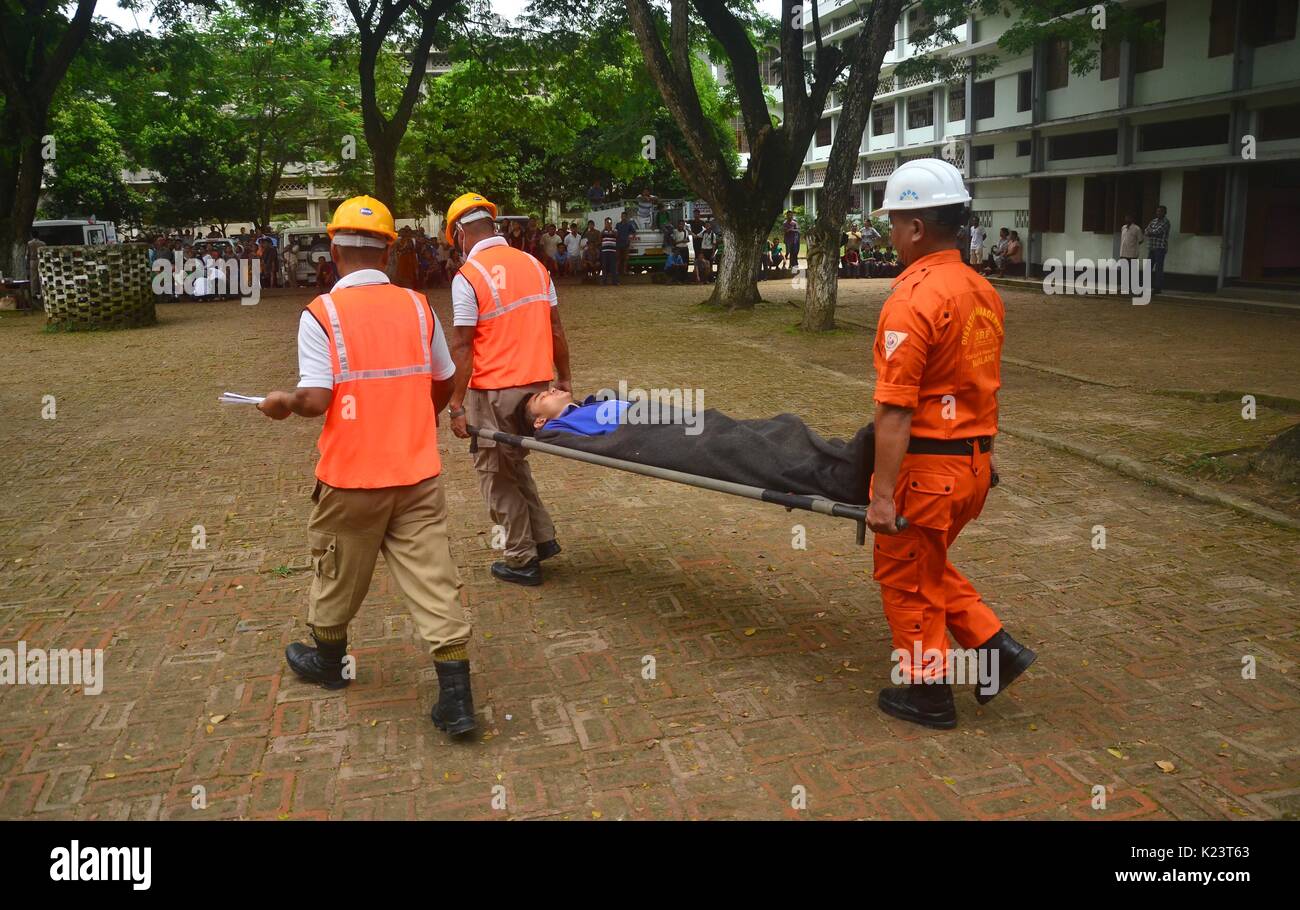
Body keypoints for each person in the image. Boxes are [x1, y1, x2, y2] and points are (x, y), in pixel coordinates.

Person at [256, 195, 475, 736]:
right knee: (434, 579)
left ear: (333, 249)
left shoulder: (321, 314)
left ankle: (328, 665)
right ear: (390, 249)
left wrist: (283, 402)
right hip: (417, 473)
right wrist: (418, 420)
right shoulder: (418, 306)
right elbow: (444, 378)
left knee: (336, 574)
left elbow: (317, 399)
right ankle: (458, 699)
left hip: (351, 479)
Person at [865, 158, 1036, 730]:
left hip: (928, 470)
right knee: (928, 562)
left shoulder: (913, 299)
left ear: (917, 227)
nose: (889, 233)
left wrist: (883, 495)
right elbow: (979, 382)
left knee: (907, 577)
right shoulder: (982, 290)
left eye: (894, 221)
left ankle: (927, 692)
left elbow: (895, 410)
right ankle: (994, 649)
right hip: (972, 465)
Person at [444, 192, 573, 587]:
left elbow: (463, 345)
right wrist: (564, 378)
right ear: (493, 226)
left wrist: (455, 404)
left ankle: (520, 558)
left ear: (462, 233)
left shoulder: (468, 276)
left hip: (493, 390)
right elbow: (554, 328)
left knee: (495, 474)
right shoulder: (535, 265)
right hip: (535, 388)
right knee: (516, 464)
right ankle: (541, 538)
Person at [1144, 205, 1171, 294]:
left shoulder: (1166, 222)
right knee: (1148, 267)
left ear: (1165, 213)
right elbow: (1146, 231)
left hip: (1160, 248)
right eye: (1158, 211)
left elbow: (1157, 232)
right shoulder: (1153, 221)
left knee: (1159, 268)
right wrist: (1152, 232)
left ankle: (1157, 288)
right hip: (1152, 247)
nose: (1159, 213)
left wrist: (1151, 232)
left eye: (1161, 211)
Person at [615, 211, 637, 276]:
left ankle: (624, 271)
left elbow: (634, 232)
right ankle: (616, 271)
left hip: (626, 244)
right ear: (621, 217)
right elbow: (615, 232)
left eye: (624, 216)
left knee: (625, 259)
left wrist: (631, 238)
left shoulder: (629, 225)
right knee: (618, 258)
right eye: (622, 216)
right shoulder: (618, 224)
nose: (623, 217)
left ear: (626, 217)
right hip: (618, 244)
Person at [599, 217, 619, 285]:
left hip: (612, 251)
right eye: (607, 222)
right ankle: (604, 281)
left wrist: (611, 229)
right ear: (605, 223)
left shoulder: (615, 230)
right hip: (604, 251)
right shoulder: (603, 231)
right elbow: (600, 237)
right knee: (604, 266)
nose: (608, 223)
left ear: (611, 223)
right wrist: (605, 228)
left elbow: (616, 236)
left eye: (609, 222)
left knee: (613, 266)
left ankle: (615, 281)